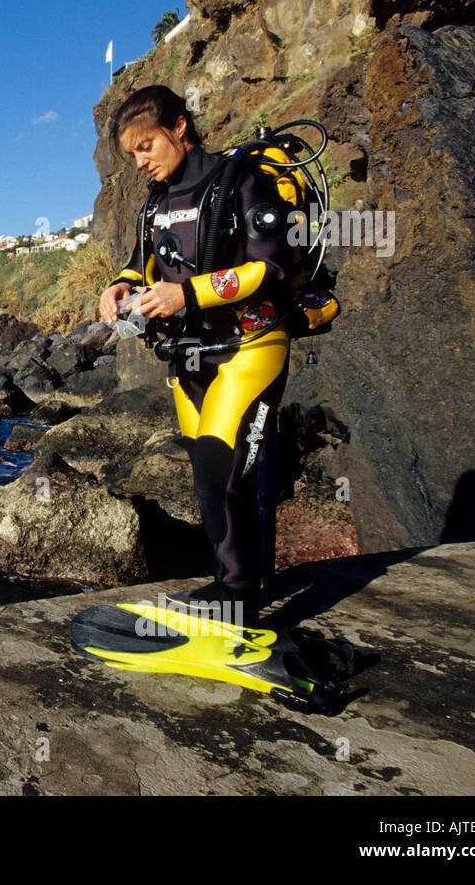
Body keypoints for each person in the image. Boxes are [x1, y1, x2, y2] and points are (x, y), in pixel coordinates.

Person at [98, 85, 296, 626]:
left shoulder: (243, 182)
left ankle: (238, 596)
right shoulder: (156, 204)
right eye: (133, 154)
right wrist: (118, 287)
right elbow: (143, 263)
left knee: (218, 467)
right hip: (190, 356)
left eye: (147, 147)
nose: (140, 162)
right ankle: (228, 584)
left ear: (179, 128)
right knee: (208, 475)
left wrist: (189, 293)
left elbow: (271, 267)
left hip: (249, 346)